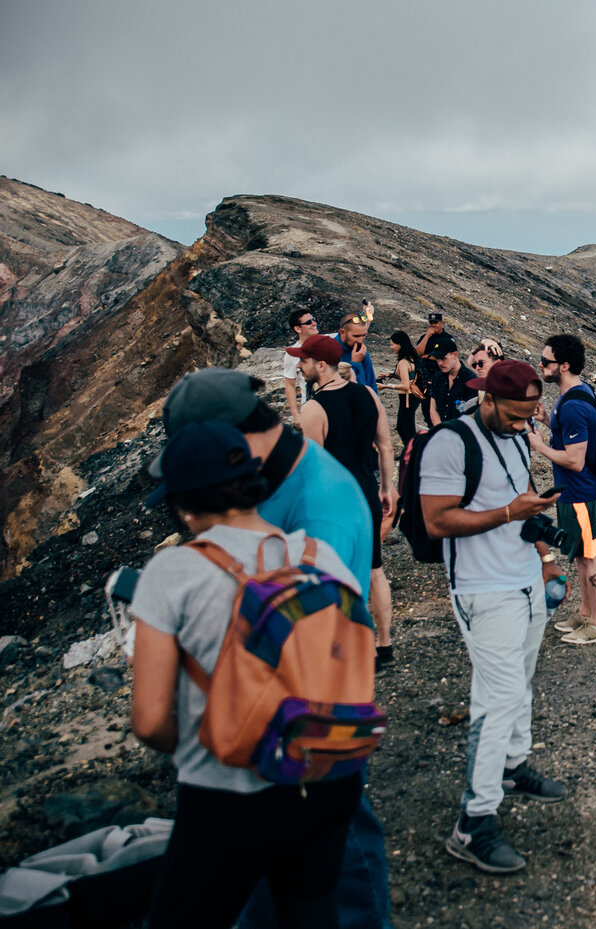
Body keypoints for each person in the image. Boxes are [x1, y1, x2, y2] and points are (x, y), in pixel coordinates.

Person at [159, 369, 389, 929]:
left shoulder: (320, 510)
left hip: (302, 722)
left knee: (338, 871)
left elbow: (317, 634)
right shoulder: (280, 475)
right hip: (280, 717)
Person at [419, 360, 566, 874]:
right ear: (487, 399)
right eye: (516, 415)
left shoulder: (517, 437)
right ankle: (473, 823)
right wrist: (509, 514)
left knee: (520, 683)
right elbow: (437, 521)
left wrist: (546, 559)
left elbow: (523, 500)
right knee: (497, 697)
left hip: (525, 578)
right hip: (483, 589)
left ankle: (512, 765)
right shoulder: (449, 443)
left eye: (530, 416)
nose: (524, 425)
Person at [291, 335, 398, 672]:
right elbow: (386, 445)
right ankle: (384, 647)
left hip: (336, 502)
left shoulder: (313, 409)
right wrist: (387, 488)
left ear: (321, 365)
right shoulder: (367, 394)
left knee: (341, 575)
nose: (299, 365)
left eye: (304, 361)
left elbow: (314, 470)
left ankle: (358, 650)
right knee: (375, 570)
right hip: (367, 490)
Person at [528, 333, 596, 645]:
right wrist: (548, 418)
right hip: (571, 492)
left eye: (545, 361)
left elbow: (575, 461)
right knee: (579, 553)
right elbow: (569, 438)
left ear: (563, 366)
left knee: (590, 554)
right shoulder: (569, 396)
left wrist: (538, 446)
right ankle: (586, 614)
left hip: (580, 491)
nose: (540, 365)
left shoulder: (574, 404)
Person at [382, 331, 423, 447]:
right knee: (402, 427)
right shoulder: (411, 358)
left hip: (407, 398)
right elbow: (408, 376)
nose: (391, 347)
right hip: (411, 398)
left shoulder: (403, 362)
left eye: (392, 344)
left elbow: (405, 385)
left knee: (407, 428)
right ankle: (411, 451)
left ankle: (413, 453)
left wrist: (385, 386)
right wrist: (390, 375)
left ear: (399, 345)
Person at [425, 337, 475, 427]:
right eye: (437, 359)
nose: (440, 363)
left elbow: (472, 415)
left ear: (455, 355)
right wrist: (441, 430)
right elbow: (433, 408)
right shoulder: (437, 377)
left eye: (444, 358)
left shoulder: (470, 380)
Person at [281, 308, 318, 425]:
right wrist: (296, 416)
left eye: (314, 320)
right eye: (308, 322)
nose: (314, 323)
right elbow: (289, 385)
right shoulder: (291, 354)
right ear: (297, 329)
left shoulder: (328, 343)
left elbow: (351, 333)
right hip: (310, 409)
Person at [416, 312, 455, 403]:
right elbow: (417, 354)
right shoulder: (424, 337)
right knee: (426, 405)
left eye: (436, 323)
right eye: (431, 323)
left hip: (440, 374)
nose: (433, 325)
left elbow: (446, 357)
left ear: (442, 323)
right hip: (425, 376)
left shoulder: (447, 338)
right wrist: (427, 336)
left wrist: (426, 356)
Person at [337, 313, 378, 389]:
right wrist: (356, 363)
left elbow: (371, 383)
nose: (360, 340)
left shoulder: (362, 351)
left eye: (364, 335)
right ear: (342, 332)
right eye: (356, 336)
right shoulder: (330, 350)